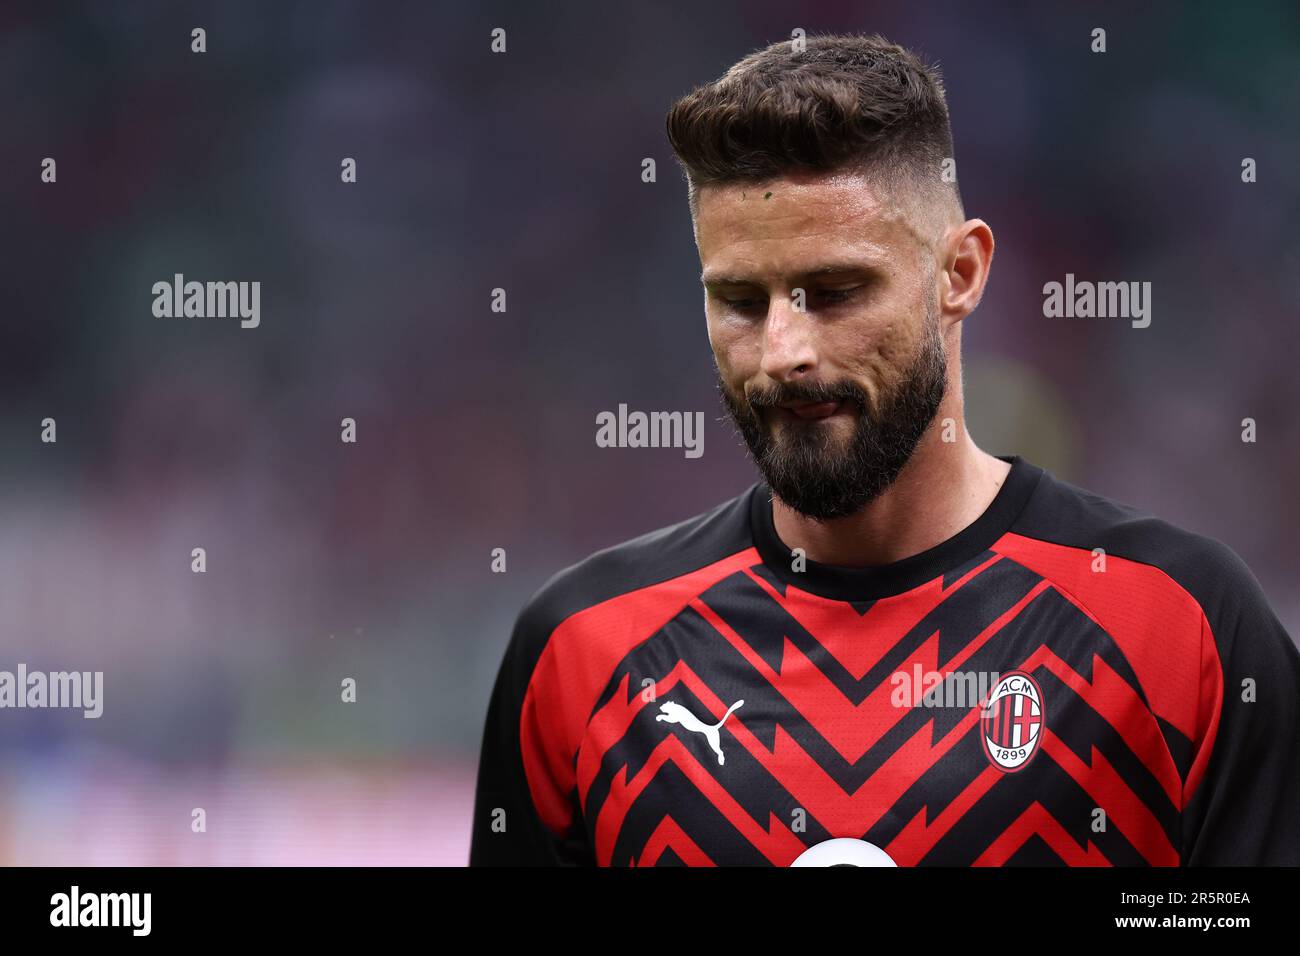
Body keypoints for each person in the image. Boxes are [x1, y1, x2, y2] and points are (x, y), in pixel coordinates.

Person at [469, 33, 1300, 866]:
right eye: (739, 302)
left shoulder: (1182, 628)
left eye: (834, 294)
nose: (782, 352)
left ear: (961, 273)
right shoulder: (581, 651)